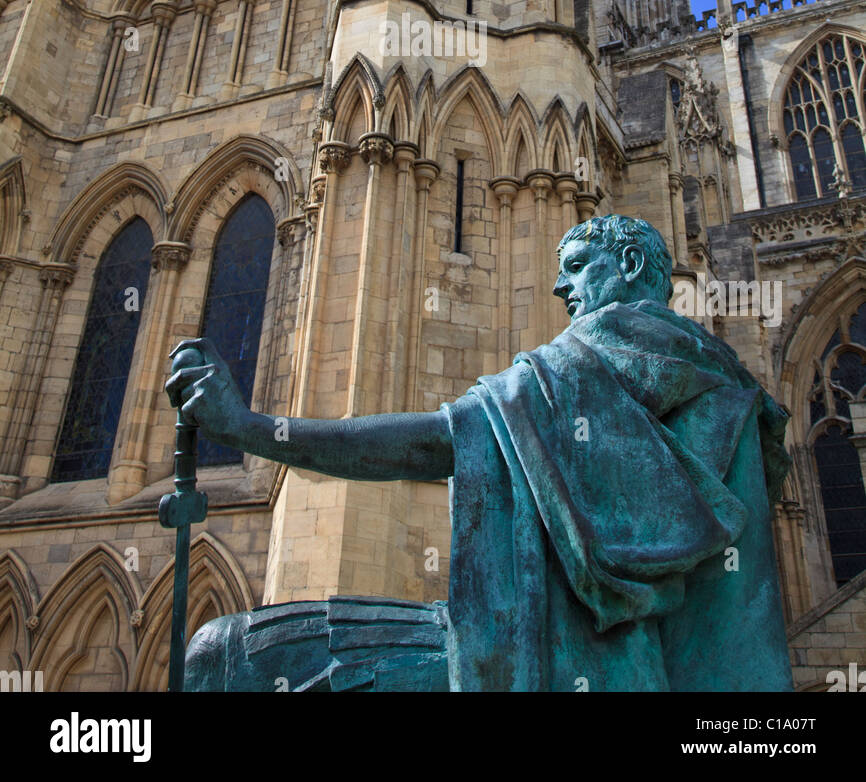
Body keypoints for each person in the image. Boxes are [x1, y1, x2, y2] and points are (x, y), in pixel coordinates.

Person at [167, 214, 793, 692]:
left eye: (575, 266)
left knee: (227, 656)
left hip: (567, 662)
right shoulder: (726, 378)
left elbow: (430, 444)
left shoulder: (607, 355)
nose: (558, 286)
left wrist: (249, 428)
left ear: (628, 263)